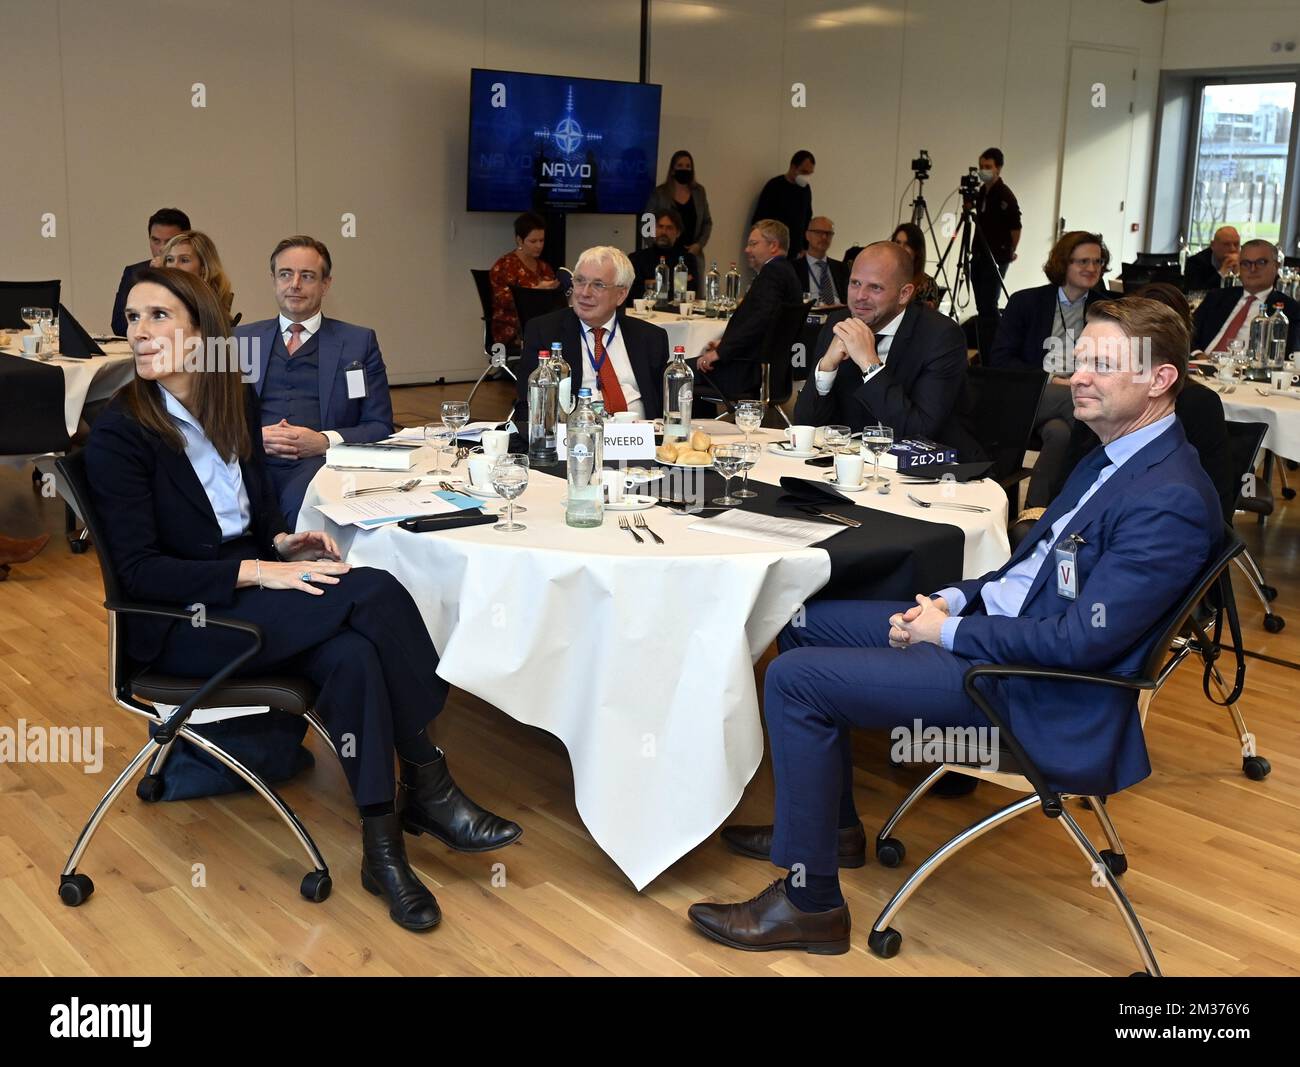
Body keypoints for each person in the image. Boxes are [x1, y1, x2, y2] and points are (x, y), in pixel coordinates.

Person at [689, 296, 1221, 954]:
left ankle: (810, 903)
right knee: (801, 620)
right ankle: (830, 832)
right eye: (1079, 360)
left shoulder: (1167, 496)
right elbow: (1035, 575)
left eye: (1103, 365)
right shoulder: (1117, 451)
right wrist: (956, 599)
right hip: (1001, 637)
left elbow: (1083, 641)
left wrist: (947, 633)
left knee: (796, 679)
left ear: (1160, 378)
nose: (1080, 375)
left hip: (1036, 687)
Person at [87, 267, 520, 933]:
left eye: (158, 316)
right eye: (132, 317)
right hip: (182, 622)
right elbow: (142, 573)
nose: (139, 331)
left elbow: (246, 525)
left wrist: (282, 546)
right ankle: (429, 782)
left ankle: (383, 850)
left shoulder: (226, 406)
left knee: (352, 654)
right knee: (371, 588)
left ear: (199, 333)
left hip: (242, 597)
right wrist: (262, 572)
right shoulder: (121, 433)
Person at [1037, 282, 1234, 524]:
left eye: (1103, 365)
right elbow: (1067, 487)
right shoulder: (1101, 414)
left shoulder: (1173, 494)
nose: (1077, 378)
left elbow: (1213, 508)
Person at [233, 236, 394, 528]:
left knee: (300, 509)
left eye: (307, 276)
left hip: (318, 465)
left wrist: (323, 441)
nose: (294, 284)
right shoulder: (240, 340)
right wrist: (254, 438)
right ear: (273, 280)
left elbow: (380, 425)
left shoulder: (359, 342)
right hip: (251, 460)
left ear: (326, 284)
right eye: (285, 274)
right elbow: (207, 420)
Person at [791, 241, 982, 459]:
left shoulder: (941, 336)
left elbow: (919, 433)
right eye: (855, 283)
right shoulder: (839, 322)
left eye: (875, 287)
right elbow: (805, 425)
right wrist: (826, 367)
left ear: (904, 294)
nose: (860, 296)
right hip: (850, 466)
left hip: (928, 472)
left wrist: (870, 366)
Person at [987, 230, 1111, 508]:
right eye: (1082, 261)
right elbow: (1001, 360)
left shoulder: (1106, 309)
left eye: (1097, 261)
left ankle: (1034, 515)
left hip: (1072, 396)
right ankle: (1087, 498)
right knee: (1086, 406)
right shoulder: (1027, 302)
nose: (1092, 268)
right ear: (1062, 263)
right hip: (1030, 394)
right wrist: (1052, 380)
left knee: (1061, 434)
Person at [516, 246, 669, 419]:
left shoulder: (650, 337)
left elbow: (665, 403)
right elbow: (528, 403)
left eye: (598, 285)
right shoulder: (544, 332)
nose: (584, 293)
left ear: (621, 294)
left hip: (638, 438)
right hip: (574, 438)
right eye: (579, 280)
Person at [694, 220, 802, 404]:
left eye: (753, 244)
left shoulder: (772, 273)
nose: (746, 250)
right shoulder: (786, 271)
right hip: (770, 371)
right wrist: (723, 342)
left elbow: (759, 321)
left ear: (773, 245)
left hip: (746, 373)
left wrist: (721, 352)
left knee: (677, 371)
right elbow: (767, 328)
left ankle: (693, 429)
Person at [1192, 238, 1300, 355]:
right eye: (1246, 263)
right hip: (1201, 366)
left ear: (1276, 266)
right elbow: (1186, 332)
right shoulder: (1217, 297)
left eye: (1261, 262)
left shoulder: (1291, 310)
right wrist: (1197, 354)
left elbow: (1290, 355)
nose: (1252, 269)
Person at [970, 148, 1022, 359]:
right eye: (982, 167)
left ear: (998, 168)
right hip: (979, 255)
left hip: (996, 257)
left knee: (989, 306)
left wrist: (1010, 252)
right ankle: (984, 350)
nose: (984, 171)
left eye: (988, 167)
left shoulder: (1005, 195)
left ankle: (996, 353)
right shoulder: (982, 192)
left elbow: (1016, 227)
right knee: (982, 306)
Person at [110, 207, 190, 336]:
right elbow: (118, 325)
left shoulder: (195, 272)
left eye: (169, 241)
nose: (162, 248)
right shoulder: (134, 272)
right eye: (155, 240)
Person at [489, 212, 560, 355]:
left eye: (542, 241)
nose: (539, 246)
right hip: (512, 325)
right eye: (533, 241)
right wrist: (536, 290)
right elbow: (504, 300)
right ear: (520, 241)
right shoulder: (505, 265)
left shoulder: (544, 267)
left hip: (540, 323)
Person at [643, 150, 712, 256]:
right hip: (663, 255)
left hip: (691, 254)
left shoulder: (699, 192)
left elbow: (707, 222)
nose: (684, 169)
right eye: (680, 165)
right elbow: (646, 223)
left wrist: (699, 245)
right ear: (672, 170)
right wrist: (655, 247)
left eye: (688, 166)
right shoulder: (660, 193)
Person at [159, 231, 237, 322]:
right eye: (170, 259)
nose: (174, 266)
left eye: (184, 260)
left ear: (204, 267)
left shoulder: (207, 308)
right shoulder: (156, 298)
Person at [753, 151, 815, 259]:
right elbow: (760, 221)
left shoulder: (805, 190)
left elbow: (807, 219)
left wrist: (805, 247)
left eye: (809, 173)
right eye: (804, 172)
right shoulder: (775, 186)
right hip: (774, 251)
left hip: (796, 253)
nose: (806, 176)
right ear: (793, 167)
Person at [628, 209, 698, 301]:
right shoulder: (637, 258)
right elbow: (632, 292)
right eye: (660, 227)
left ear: (678, 233)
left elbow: (690, 292)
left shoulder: (688, 260)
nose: (663, 232)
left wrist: (650, 284)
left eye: (669, 228)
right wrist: (677, 283)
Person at [794, 217, 848, 305]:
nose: (824, 237)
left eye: (828, 233)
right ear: (807, 235)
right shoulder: (793, 268)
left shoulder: (842, 268)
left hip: (838, 313)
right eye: (818, 232)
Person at [890, 223, 939, 309]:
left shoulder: (927, 284)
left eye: (907, 244)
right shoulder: (884, 276)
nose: (901, 248)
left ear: (917, 250)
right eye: (897, 242)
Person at [1183, 226, 1240, 292]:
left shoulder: (1245, 260)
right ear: (1213, 245)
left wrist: (1239, 274)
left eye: (1236, 244)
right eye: (1226, 244)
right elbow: (1195, 294)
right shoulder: (1195, 262)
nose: (1233, 249)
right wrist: (1222, 272)